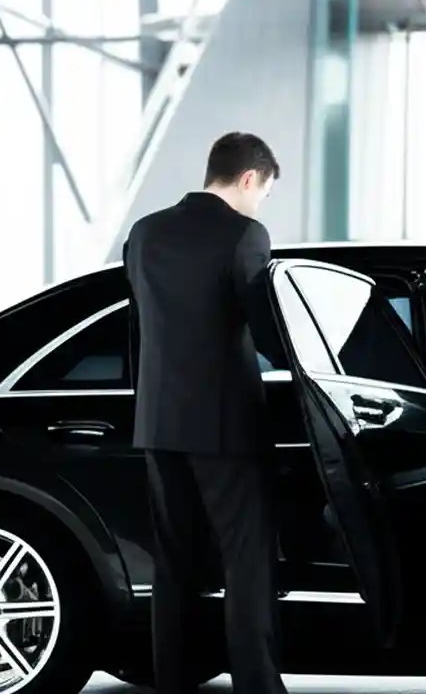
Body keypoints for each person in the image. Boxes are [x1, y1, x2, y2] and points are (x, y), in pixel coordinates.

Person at [122, 132, 290, 694]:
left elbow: (138, 325)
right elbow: (269, 330)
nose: (259, 203)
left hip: (157, 422)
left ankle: (173, 680)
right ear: (249, 179)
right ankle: (257, 685)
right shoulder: (245, 234)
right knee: (246, 560)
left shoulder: (144, 233)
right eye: (263, 192)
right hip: (226, 425)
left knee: (174, 563)